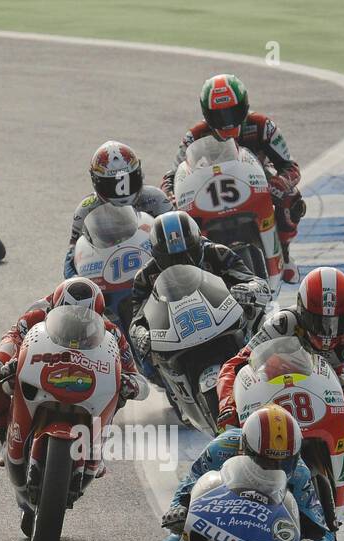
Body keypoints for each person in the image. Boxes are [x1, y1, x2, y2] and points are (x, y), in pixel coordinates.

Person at [215, 266, 344, 513]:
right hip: (277, 380)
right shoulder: (283, 323)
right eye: (318, 320)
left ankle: (342, 475)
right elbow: (234, 365)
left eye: (337, 321)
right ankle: (232, 483)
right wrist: (228, 406)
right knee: (235, 429)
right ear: (301, 309)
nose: (327, 331)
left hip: (332, 383)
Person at [133, 403, 334, 541]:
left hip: (267, 526)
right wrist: (179, 510)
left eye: (282, 462)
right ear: (246, 447)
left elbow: (321, 529)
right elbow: (190, 483)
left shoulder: (300, 473)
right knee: (179, 538)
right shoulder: (223, 446)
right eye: (264, 460)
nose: (272, 468)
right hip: (221, 508)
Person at [0, 277, 148, 459]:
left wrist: (131, 384)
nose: (75, 324)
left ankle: (97, 443)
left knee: (121, 388)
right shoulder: (34, 317)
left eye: (84, 319)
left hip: (87, 381)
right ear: (53, 309)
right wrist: (8, 363)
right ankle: (1, 431)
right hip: (43, 363)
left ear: (99, 316)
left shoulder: (112, 333)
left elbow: (135, 376)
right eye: (66, 316)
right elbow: (11, 342)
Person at [160, 74, 304, 281]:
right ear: (206, 114)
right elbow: (171, 175)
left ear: (244, 107)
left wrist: (279, 181)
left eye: (233, 112)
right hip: (209, 191)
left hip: (256, 186)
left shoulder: (263, 125)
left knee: (292, 196)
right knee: (175, 221)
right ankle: (191, 270)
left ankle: (284, 252)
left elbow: (290, 165)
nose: (227, 122)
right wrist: (172, 198)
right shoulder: (195, 135)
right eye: (219, 116)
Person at [125, 210, 269, 376]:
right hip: (177, 335)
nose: (180, 263)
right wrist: (141, 333)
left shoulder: (217, 253)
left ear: (199, 243)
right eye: (170, 259)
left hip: (227, 321)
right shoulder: (144, 277)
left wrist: (247, 289)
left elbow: (256, 282)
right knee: (151, 364)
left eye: (187, 255)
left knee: (264, 320)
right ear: (156, 255)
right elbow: (136, 318)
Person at [62, 141, 171, 276]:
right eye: (111, 184)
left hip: (155, 270)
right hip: (107, 273)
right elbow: (73, 256)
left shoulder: (155, 197)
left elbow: (179, 233)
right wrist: (76, 282)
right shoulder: (86, 208)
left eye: (128, 179)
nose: (122, 190)